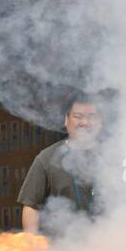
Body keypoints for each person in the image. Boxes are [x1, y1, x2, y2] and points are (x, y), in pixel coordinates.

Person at [19, 93, 104, 235]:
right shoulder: (46, 158)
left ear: (101, 122)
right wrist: (31, 242)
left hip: (110, 246)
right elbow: (31, 206)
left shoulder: (116, 157)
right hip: (63, 250)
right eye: (78, 116)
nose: (84, 122)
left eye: (91, 117)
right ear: (66, 120)